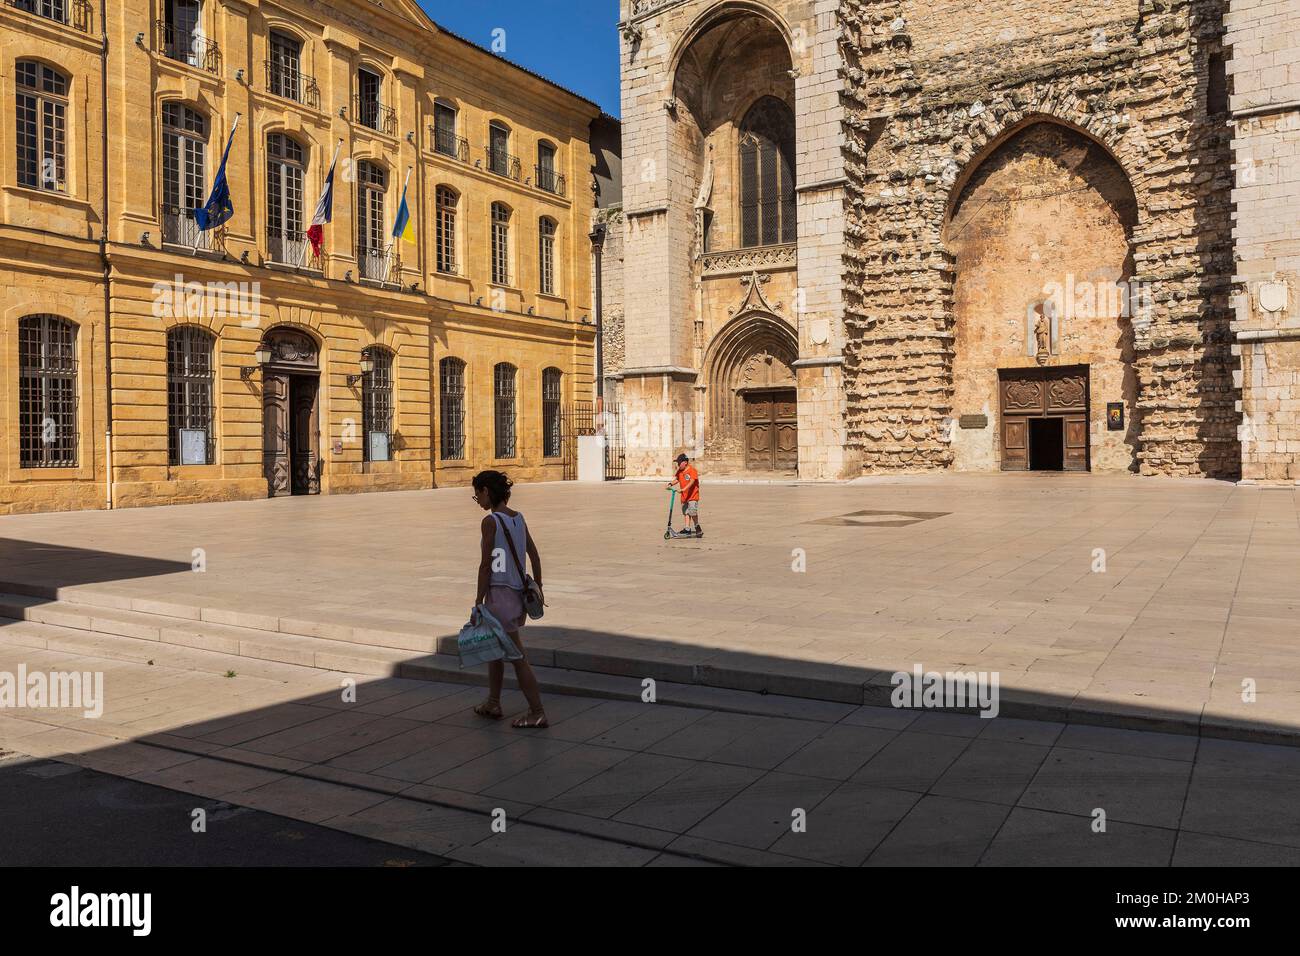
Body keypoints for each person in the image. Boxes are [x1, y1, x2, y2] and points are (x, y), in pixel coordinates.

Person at [469, 470, 548, 728]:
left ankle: (537, 711)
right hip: (516, 593)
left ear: (487, 492)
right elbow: (534, 556)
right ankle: (493, 701)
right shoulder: (519, 518)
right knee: (495, 650)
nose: (477, 500)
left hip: (499, 594)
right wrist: (537, 587)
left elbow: (485, 565)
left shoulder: (490, 522)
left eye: (477, 494)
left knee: (517, 656)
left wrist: (478, 600)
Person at [668, 453, 703, 537]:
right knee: (686, 512)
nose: (678, 465)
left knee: (692, 512)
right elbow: (677, 479)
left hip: (692, 496)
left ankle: (697, 527)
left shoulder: (692, 470)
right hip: (684, 497)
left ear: (685, 462)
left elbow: (692, 481)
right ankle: (687, 529)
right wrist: (670, 484)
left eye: (679, 463)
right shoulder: (680, 471)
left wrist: (683, 489)